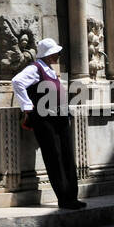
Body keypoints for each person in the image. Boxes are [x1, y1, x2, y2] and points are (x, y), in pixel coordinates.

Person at [12, 38, 86, 210]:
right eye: (55, 53)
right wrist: (27, 106)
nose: (58, 55)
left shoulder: (50, 70)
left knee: (67, 155)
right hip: (45, 120)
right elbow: (17, 82)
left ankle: (72, 196)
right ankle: (64, 198)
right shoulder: (35, 68)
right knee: (54, 157)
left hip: (59, 117)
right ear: (47, 54)